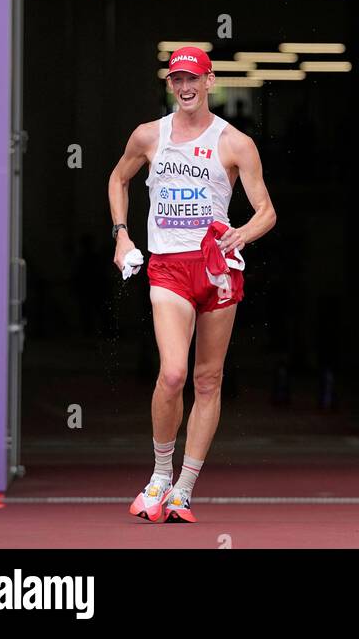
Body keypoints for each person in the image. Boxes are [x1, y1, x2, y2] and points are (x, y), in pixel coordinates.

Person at [108, 45, 276, 523]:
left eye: (193, 79)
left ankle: (184, 487)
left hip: (218, 267)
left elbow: (267, 210)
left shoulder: (236, 143)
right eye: (177, 80)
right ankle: (161, 473)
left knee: (208, 378)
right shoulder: (148, 136)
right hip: (168, 268)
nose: (185, 88)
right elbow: (117, 181)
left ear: (209, 81)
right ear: (170, 84)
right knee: (174, 373)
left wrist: (242, 233)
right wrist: (121, 236)